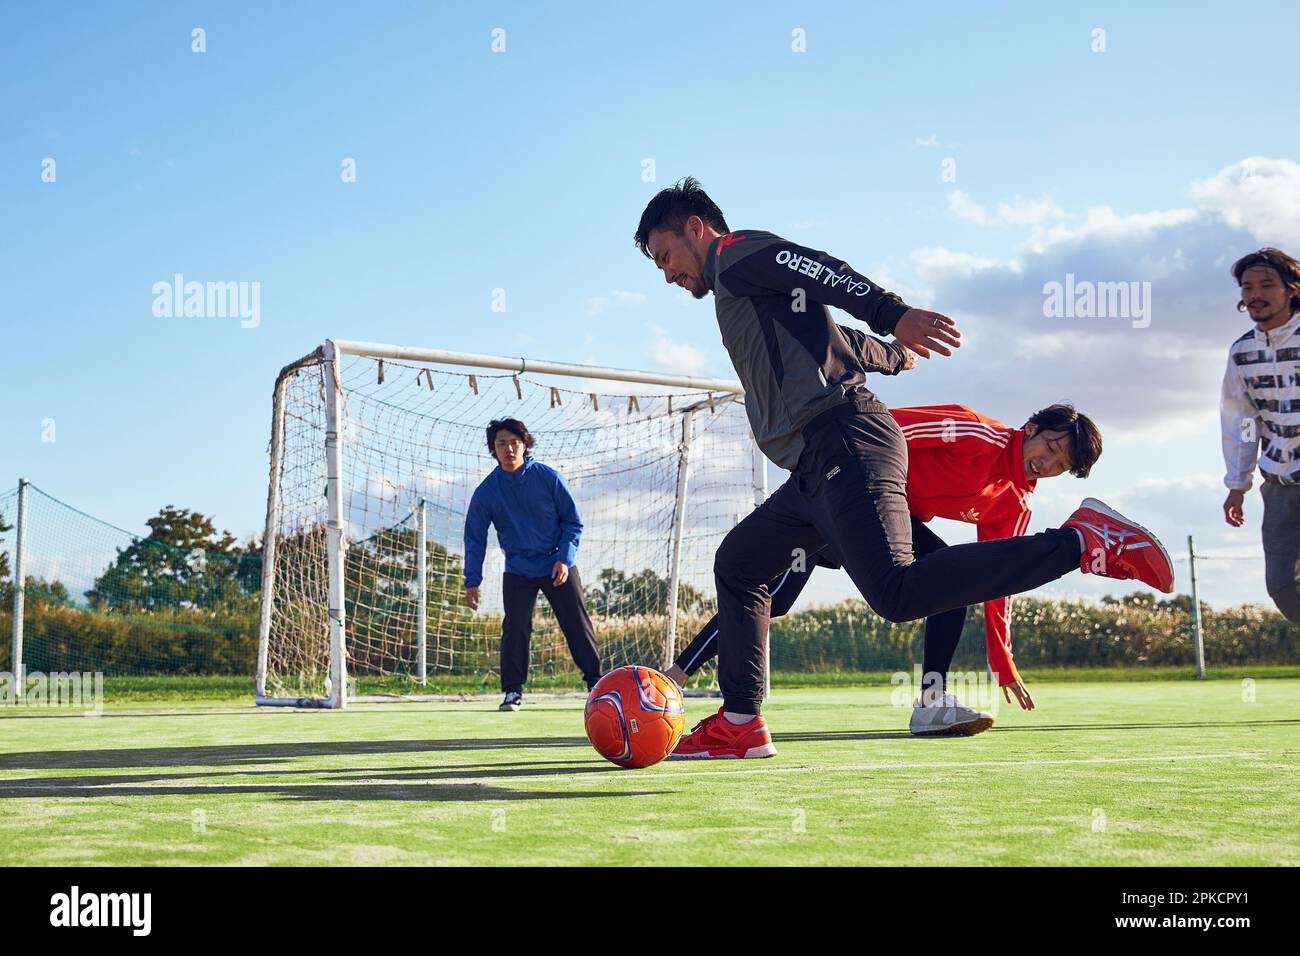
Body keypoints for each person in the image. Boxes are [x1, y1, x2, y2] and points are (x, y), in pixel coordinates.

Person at [633, 177, 1174, 759]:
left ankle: (1081, 542)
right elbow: (838, 344)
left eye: (665, 256)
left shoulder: (738, 253)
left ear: (696, 227)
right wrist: (894, 354)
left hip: (845, 440)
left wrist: (893, 313)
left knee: (896, 592)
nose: (667, 273)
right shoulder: (744, 294)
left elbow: (817, 267)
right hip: (815, 465)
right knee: (739, 563)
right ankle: (740, 719)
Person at [665, 400, 1104, 737]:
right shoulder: (972, 432)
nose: (1047, 464)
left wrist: (1002, 662)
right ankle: (676, 677)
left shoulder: (1014, 502)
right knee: (771, 595)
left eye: (1060, 466)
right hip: (842, 492)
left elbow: (996, 583)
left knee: (951, 590)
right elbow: (879, 431)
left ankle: (932, 702)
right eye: (1051, 447)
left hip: (888, 527)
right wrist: (829, 472)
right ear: (1031, 428)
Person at [463, 418, 602, 710]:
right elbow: (474, 537)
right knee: (515, 628)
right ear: (494, 449)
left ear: (525, 445)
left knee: (576, 623)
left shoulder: (548, 478)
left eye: (515, 443)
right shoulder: (486, 491)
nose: (509, 449)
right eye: (502, 444)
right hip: (518, 569)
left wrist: (564, 559)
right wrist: (472, 581)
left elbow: (573, 523)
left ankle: (596, 685)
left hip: (558, 564)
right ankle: (512, 692)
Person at [1220, 247, 1300, 624]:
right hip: (1280, 483)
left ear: (1290, 288)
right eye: (1248, 286)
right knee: (1283, 585)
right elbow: (1243, 422)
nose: (1256, 294)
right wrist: (1238, 484)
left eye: (1267, 284)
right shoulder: (1242, 353)